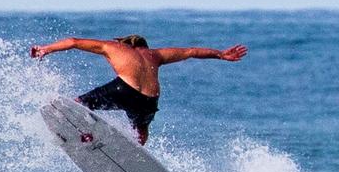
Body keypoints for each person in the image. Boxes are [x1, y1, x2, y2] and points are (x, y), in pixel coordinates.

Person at [29, 34, 247, 145]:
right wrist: (220, 54)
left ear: (127, 45)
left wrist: (45, 49)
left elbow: (74, 41)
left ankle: (83, 135)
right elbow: (191, 51)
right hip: (148, 101)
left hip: (123, 89)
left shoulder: (113, 47)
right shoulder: (156, 55)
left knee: (77, 105)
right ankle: (137, 151)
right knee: (141, 132)